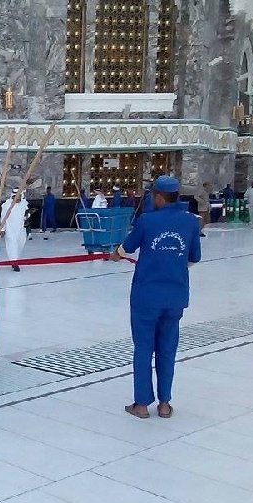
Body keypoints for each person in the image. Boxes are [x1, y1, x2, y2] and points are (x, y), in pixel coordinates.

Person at [111, 175, 201, 419]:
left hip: (146, 297)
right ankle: (164, 403)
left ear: (159, 197)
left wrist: (116, 254)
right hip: (175, 297)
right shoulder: (191, 221)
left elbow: (126, 248)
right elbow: (194, 257)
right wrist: (172, 266)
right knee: (167, 350)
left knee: (143, 349)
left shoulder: (147, 221)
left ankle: (141, 404)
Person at [2, 189, 28, 272]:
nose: (19, 198)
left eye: (20, 196)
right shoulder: (7, 205)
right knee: (12, 246)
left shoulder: (23, 204)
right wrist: (3, 229)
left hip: (21, 229)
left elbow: (25, 215)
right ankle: (14, 263)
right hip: (10, 229)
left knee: (19, 245)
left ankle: (15, 260)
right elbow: (3, 217)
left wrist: (27, 218)